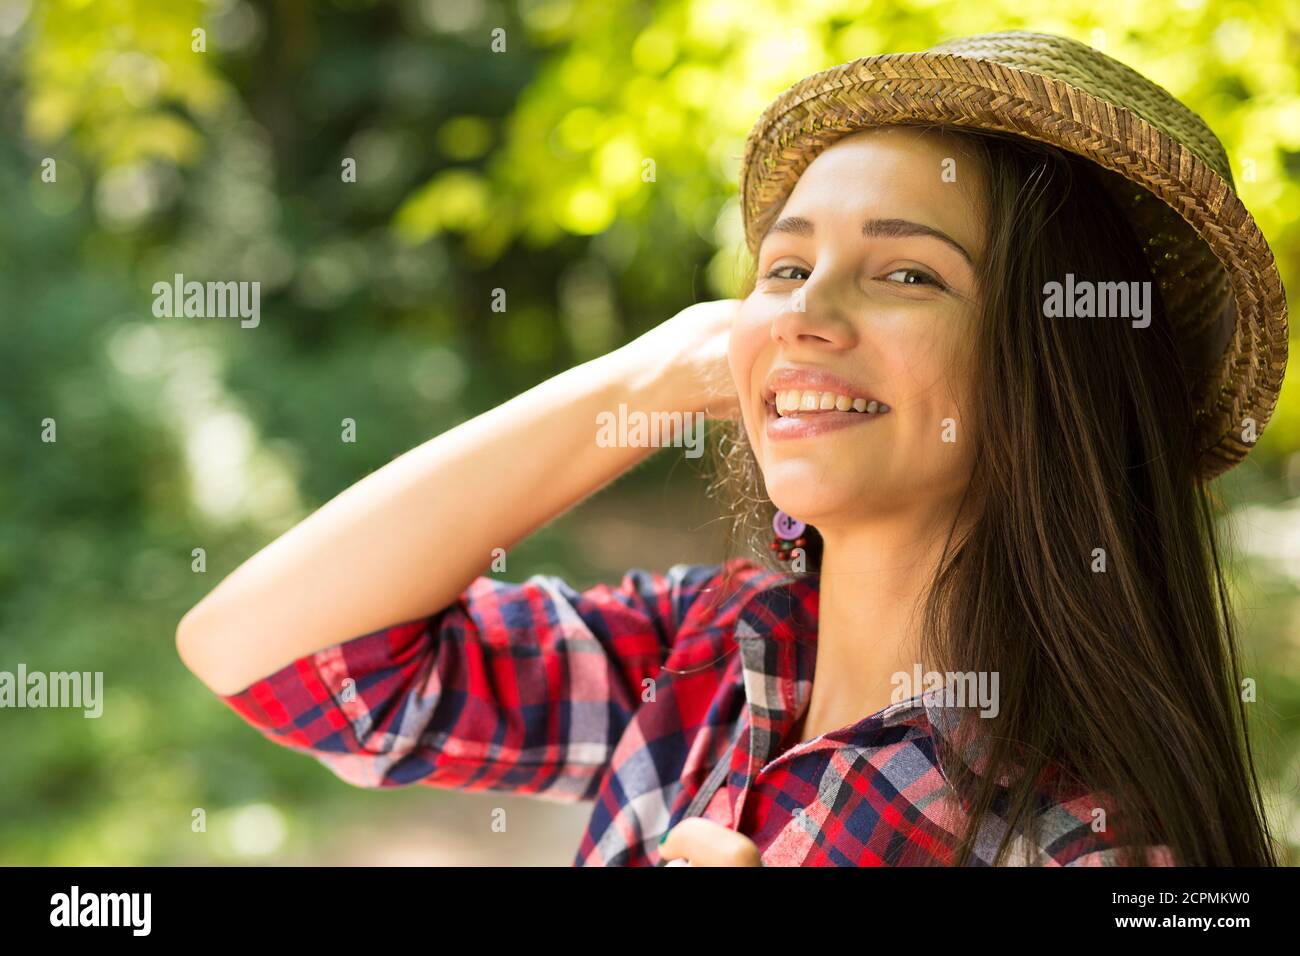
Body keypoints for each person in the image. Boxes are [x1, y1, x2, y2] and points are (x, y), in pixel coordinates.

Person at [176, 31, 1287, 866]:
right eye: (785, 268)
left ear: (1057, 377)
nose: (807, 310)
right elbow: (273, 655)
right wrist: (652, 373)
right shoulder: (706, 652)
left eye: (908, 273)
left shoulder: (1094, 845)